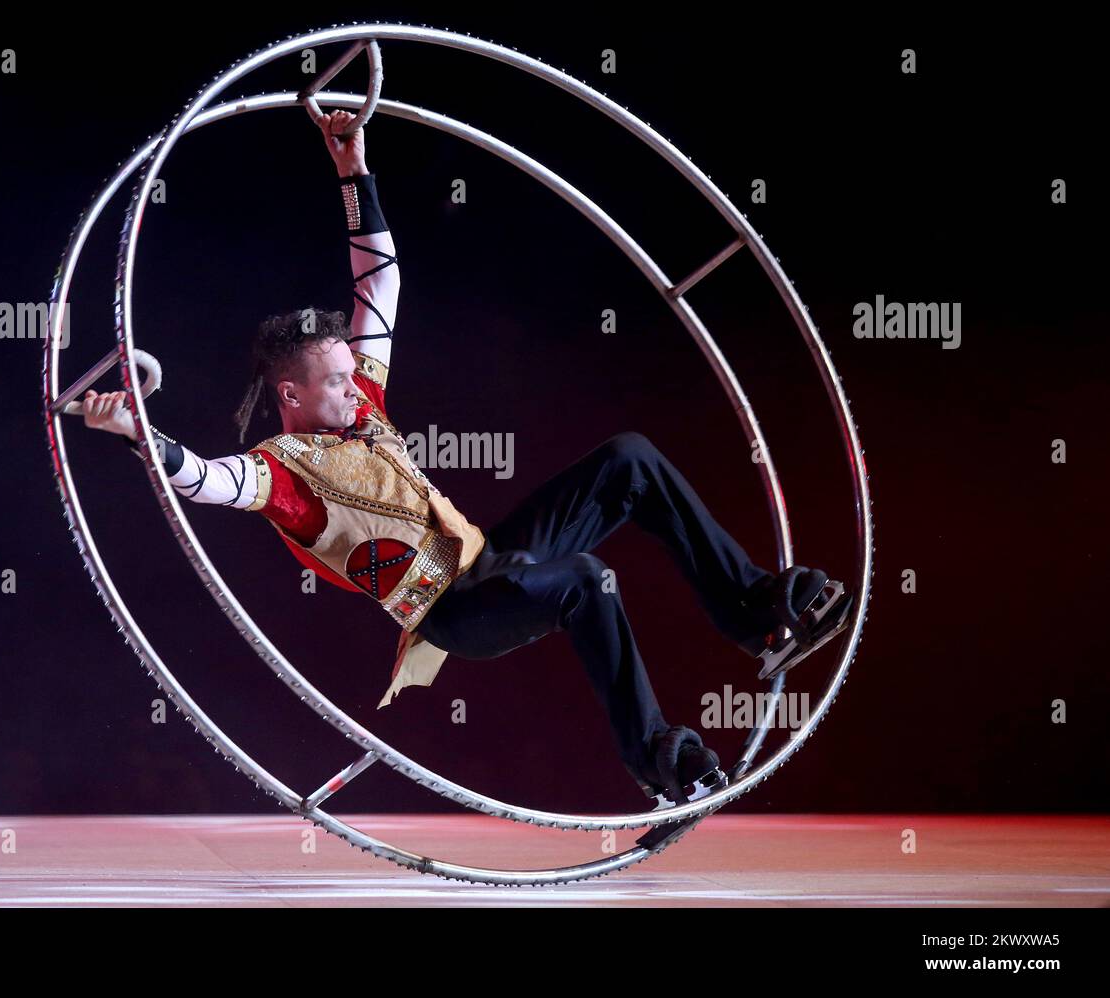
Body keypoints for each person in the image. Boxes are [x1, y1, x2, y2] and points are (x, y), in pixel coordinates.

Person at [81, 109, 853, 805]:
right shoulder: (283, 469)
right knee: (585, 581)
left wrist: (353, 170)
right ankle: (658, 758)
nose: (356, 386)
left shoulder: (364, 402)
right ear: (290, 393)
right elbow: (208, 482)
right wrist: (135, 433)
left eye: (354, 373)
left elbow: (379, 279)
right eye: (337, 380)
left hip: (493, 559)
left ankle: (759, 613)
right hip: (453, 612)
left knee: (630, 458)